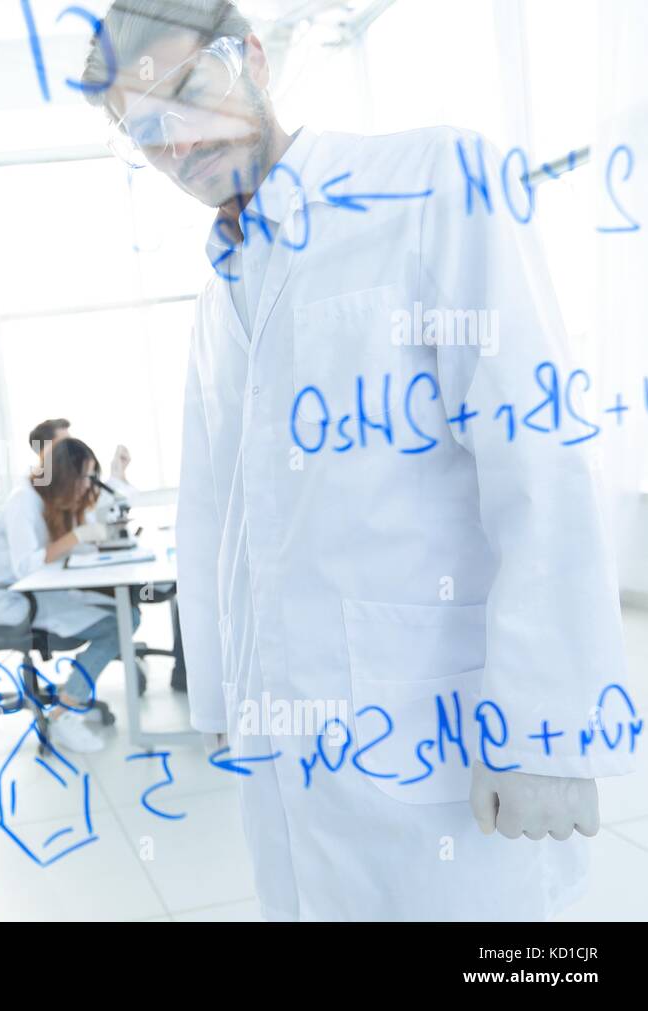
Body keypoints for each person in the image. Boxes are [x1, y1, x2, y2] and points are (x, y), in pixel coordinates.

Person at [80, 0, 633, 920]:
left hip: (445, 752)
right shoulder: (219, 290)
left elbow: (539, 453)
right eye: (146, 131)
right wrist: (224, 698)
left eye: (189, 91)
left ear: (251, 55)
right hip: (288, 756)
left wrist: (545, 730)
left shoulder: (432, 179)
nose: (178, 142)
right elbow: (222, 517)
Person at [0, 437, 142, 753]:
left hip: (44, 594)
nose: (87, 485)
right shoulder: (23, 501)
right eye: (84, 477)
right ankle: (63, 713)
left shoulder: (52, 499)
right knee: (119, 624)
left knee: (128, 614)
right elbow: (25, 567)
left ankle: (72, 693)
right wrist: (76, 537)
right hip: (16, 602)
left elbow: (96, 512)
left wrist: (116, 476)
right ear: (63, 475)